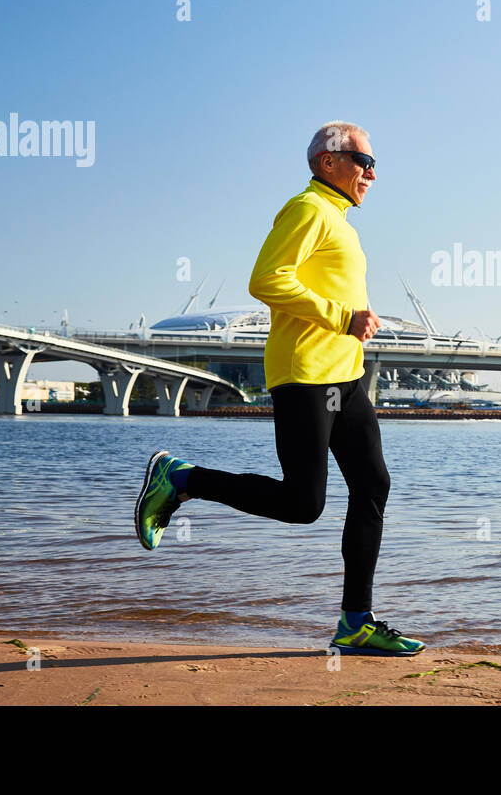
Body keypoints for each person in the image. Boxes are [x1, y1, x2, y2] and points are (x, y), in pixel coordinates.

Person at [134, 121, 424, 657]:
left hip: (346, 379)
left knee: (373, 486)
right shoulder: (307, 209)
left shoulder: (338, 219)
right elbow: (266, 279)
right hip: (306, 376)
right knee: (302, 503)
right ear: (327, 162)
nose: (372, 173)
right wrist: (342, 316)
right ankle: (180, 478)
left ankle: (356, 621)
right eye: (365, 161)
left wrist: (355, 326)